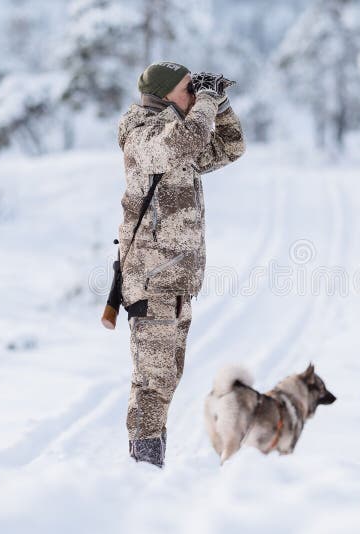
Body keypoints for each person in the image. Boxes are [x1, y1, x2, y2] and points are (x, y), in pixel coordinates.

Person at [116, 61, 245, 467]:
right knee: (153, 383)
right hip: (152, 278)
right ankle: (143, 469)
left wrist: (218, 105)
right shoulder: (144, 134)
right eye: (189, 88)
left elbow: (230, 146)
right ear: (166, 94)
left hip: (175, 279)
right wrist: (205, 101)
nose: (195, 94)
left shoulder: (178, 132)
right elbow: (185, 141)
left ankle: (146, 466)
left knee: (165, 380)